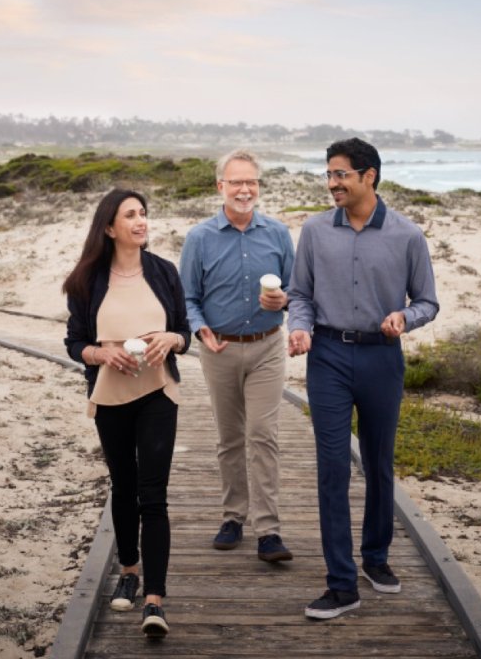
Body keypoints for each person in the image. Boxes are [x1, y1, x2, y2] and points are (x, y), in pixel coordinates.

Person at [286, 138, 439, 620]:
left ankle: (376, 558)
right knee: (332, 467)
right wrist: (300, 328)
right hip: (327, 356)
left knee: (378, 462)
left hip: (381, 359)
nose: (332, 183)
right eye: (329, 175)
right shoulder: (313, 231)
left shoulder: (407, 235)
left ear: (368, 175)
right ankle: (341, 583)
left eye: (341, 175)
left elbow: (428, 302)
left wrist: (405, 318)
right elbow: (299, 294)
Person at [63, 188, 192, 638]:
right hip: (111, 394)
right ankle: (130, 570)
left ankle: (154, 600)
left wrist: (170, 340)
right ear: (109, 227)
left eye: (143, 214)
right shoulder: (85, 280)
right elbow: (74, 343)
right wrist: (101, 354)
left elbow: (184, 331)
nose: (140, 221)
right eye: (130, 215)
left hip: (158, 390)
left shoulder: (164, 272)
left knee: (153, 493)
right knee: (124, 485)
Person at [180, 149, 296, 563]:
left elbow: (297, 293)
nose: (245, 190)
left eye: (251, 182)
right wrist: (200, 328)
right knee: (229, 439)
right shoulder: (199, 238)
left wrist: (282, 301)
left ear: (258, 187)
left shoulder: (279, 234)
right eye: (236, 182)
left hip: (267, 347)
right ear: (221, 187)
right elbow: (187, 298)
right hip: (220, 350)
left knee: (262, 436)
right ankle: (233, 517)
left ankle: (268, 530)